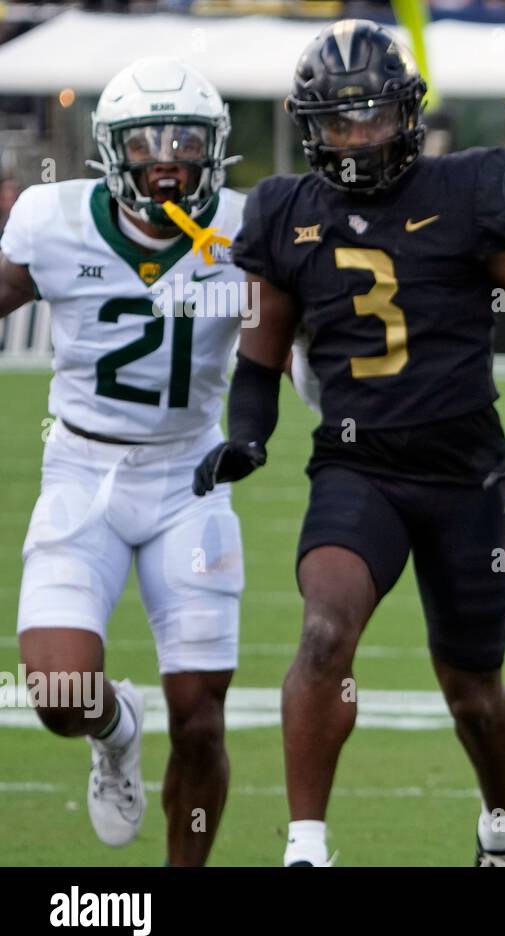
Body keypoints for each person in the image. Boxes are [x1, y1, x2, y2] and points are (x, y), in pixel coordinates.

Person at [192, 19, 505, 866]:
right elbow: (259, 361)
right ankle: (306, 847)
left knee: (474, 694)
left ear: (407, 113)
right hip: (355, 466)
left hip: (464, 475)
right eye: (339, 120)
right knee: (324, 635)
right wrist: (247, 439)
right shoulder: (286, 212)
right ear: (310, 127)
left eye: (371, 116)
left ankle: (502, 823)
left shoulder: (469, 188)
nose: (358, 136)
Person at [0, 57, 246, 864]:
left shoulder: (248, 231)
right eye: (148, 140)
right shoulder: (53, 220)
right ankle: (114, 731)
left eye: (186, 139)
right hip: (82, 473)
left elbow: (313, 334)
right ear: (115, 152)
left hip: (191, 478)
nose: (168, 157)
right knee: (59, 691)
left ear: (217, 148)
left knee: (202, 717)